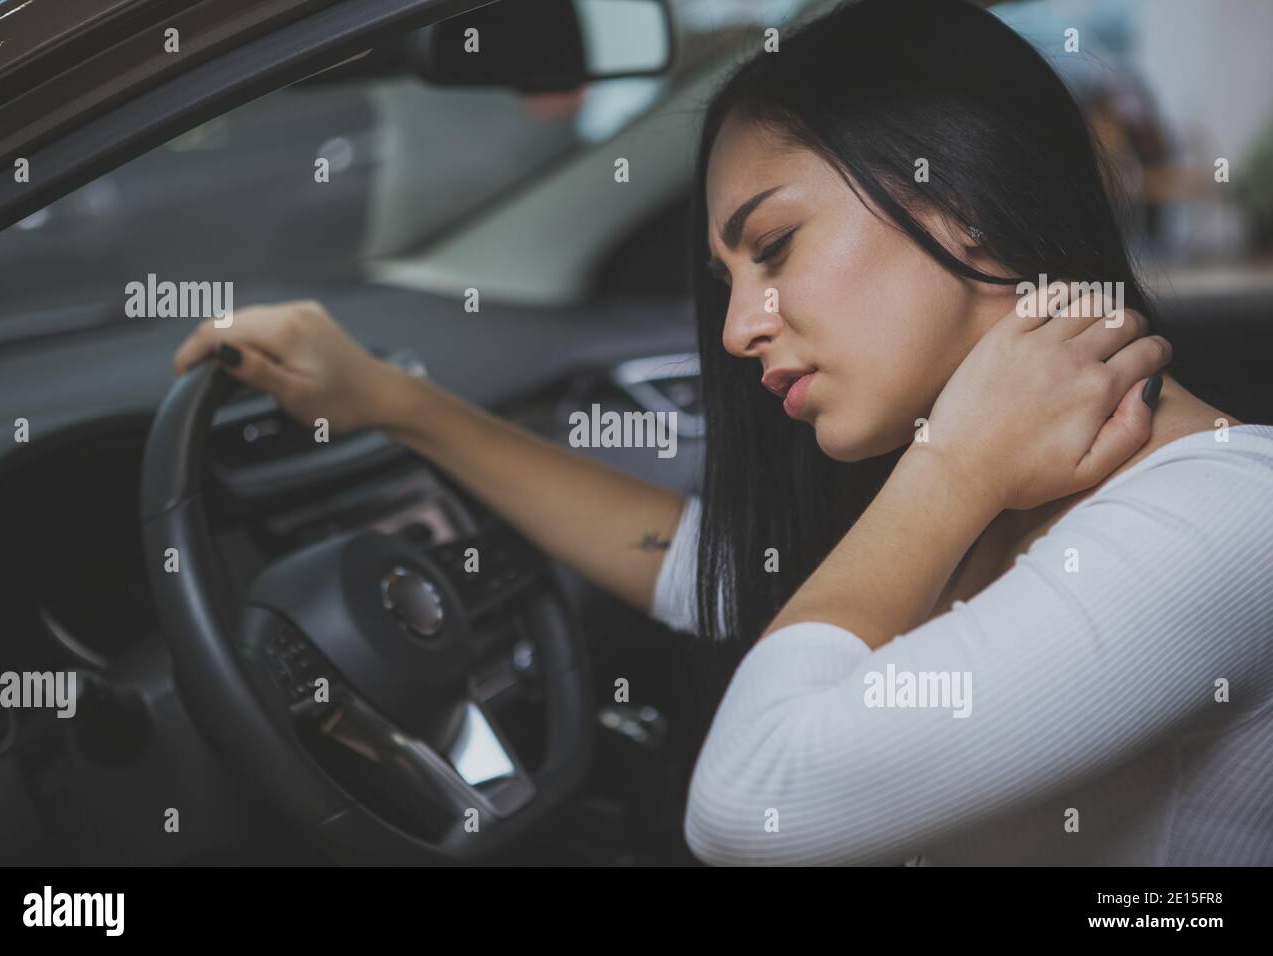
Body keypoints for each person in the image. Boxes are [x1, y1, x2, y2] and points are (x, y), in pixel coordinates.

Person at [174, 0, 1273, 866]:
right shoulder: (1011, 490)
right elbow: (707, 563)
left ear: (963, 201)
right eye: (726, 279)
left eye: (777, 245)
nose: (742, 326)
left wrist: (953, 465)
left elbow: (753, 803)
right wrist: (395, 401)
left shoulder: (1218, 517)